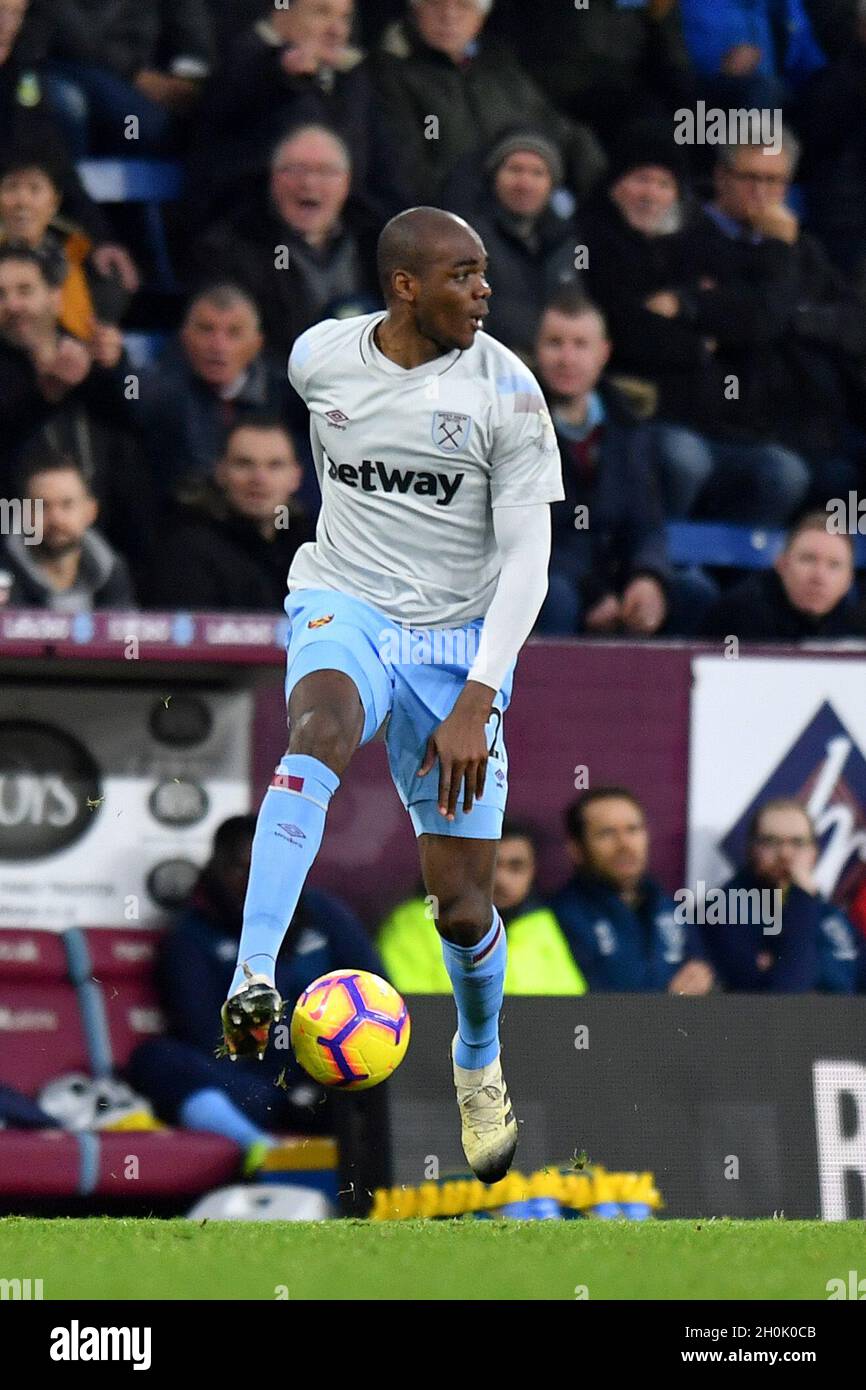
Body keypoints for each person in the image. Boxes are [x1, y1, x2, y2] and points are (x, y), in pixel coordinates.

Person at [219, 206, 565, 1186]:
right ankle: (252, 976)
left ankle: (475, 1057)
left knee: (460, 903)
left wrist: (476, 700)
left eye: (486, 273)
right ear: (404, 286)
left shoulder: (506, 392)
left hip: (458, 642)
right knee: (318, 729)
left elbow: (529, 565)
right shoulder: (320, 358)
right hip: (347, 603)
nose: (484, 292)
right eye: (464, 275)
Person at [127, 814, 391, 1214]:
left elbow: (378, 993)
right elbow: (208, 1037)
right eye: (243, 868)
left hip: (330, 1081)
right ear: (215, 868)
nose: (257, 882)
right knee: (155, 1059)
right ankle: (262, 1150)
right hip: (253, 1089)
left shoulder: (323, 914)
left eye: (270, 869)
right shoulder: (191, 936)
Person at [582, 121, 818, 526]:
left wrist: (693, 306)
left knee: (787, 473)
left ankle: (733, 581)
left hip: (752, 422)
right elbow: (637, 323)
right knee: (684, 460)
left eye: (775, 181)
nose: (762, 193)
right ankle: (652, 564)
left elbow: (774, 318)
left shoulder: (797, 246)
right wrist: (709, 326)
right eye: (751, 178)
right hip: (671, 415)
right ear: (721, 176)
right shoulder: (685, 235)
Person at [532, 288, 717, 638]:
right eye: (555, 343)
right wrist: (593, 592)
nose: (567, 358)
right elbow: (524, 538)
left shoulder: (628, 427)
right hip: (555, 580)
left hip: (615, 580)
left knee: (695, 591)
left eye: (580, 344)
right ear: (537, 350)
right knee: (554, 595)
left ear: (604, 353)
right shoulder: (514, 424)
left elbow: (646, 523)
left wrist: (647, 577)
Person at [189, 0, 404, 230]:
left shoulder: (353, 81)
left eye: (344, 18)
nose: (337, 30)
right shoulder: (243, 68)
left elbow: (384, 176)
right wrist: (285, 78)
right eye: (322, 13)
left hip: (346, 240)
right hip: (255, 239)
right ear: (281, 13)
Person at [372, 0, 605, 207]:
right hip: (456, 223)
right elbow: (406, 176)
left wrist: (604, 193)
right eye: (436, 4)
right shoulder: (391, 77)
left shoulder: (501, 70)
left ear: (480, 18)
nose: (449, 16)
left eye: (463, 5)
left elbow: (562, 134)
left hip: (525, 217)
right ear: (415, 12)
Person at [195, 126, 379, 365]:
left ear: (346, 182)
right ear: (273, 178)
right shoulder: (231, 249)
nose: (309, 183)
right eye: (295, 170)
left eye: (325, 172)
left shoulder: (377, 243)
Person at [136, 283, 307, 498]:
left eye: (234, 333)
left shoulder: (288, 395)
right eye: (206, 330)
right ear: (185, 337)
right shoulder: (157, 393)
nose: (218, 345)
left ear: (257, 344)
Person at [378, 821, 587, 994]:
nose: (500, 879)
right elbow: (409, 1007)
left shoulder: (542, 923)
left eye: (516, 867)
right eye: (489, 865)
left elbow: (569, 1006)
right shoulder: (416, 921)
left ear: (532, 872)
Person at [551, 789, 714, 994]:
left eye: (633, 830)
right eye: (607, 833)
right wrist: (668, 1001)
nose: (625, 844)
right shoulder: (561, 917)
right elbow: (583, 1008)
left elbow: (705, 978)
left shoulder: (670, 908)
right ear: (576, 849)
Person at [149, 416, 315, 612]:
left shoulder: (314, 547)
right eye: (244, 464)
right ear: (221, 472)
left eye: (274, 465)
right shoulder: (186, 550)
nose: (259, 478)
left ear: (296, 477)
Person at [443, 128, 580, 360]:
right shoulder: (466, 239)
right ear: (494, 176)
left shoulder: (567, 243)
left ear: (552, 184)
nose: (525, 183)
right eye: (515, 170)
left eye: (538, 173)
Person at [703, 799, 860, 992]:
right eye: (771, 842)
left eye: (798, 842)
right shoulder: (723, 910)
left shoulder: (831, 914)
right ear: (751, 850)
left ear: (814, 852)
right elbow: (784, 994)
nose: (785, 854)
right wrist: (802, 898)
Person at [39, 0, 214, 155]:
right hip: (69, 65)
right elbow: (71, 33)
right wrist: (134, 73)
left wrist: (188, 79)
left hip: (141, 76)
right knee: (140, 127)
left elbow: (192, 29)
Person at [0, 147, 131, 341]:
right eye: (11, 188)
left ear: (54, 202)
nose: (23, 201)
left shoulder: (78, 256)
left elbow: (86, 337)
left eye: (35, 189)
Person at [0, 448, 133, 609]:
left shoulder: (112, 571)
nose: (56, 518)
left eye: (67, 504)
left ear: (91, 511)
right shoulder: (4, 573)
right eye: (41, 506)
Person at [703, 512, 866, 641]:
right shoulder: (740, 614)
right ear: (782, 564)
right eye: (808, 559)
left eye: (834, 565)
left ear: (849, 580)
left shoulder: (856, 627)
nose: (819, 577)